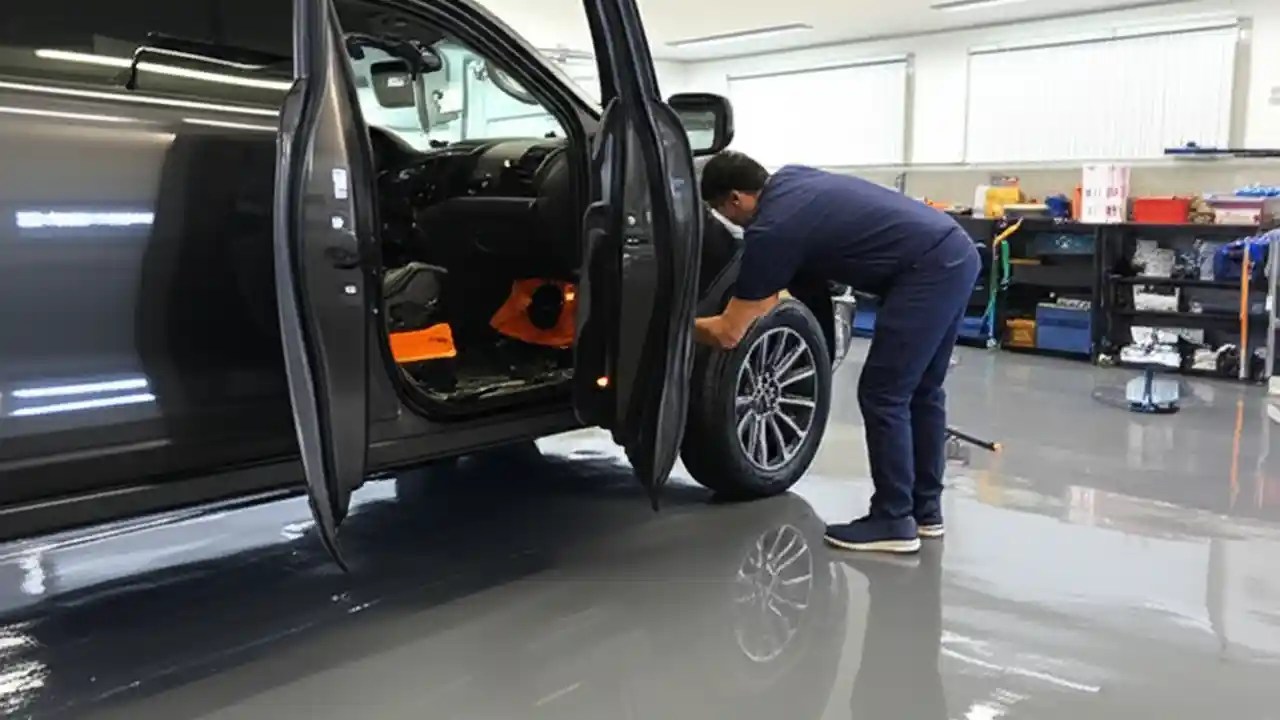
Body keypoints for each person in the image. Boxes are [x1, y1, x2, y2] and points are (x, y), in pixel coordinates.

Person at [693, 151, 979, 554]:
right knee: (923, 392)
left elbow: (729, 332)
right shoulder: (793, 180)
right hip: (956, 251)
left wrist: (673, 329)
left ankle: (894, 519)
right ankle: (925, 512)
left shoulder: (771, 228)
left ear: (736, 199)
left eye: (722, 210)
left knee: (884, 394)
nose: (728, 220)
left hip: (924, 271)